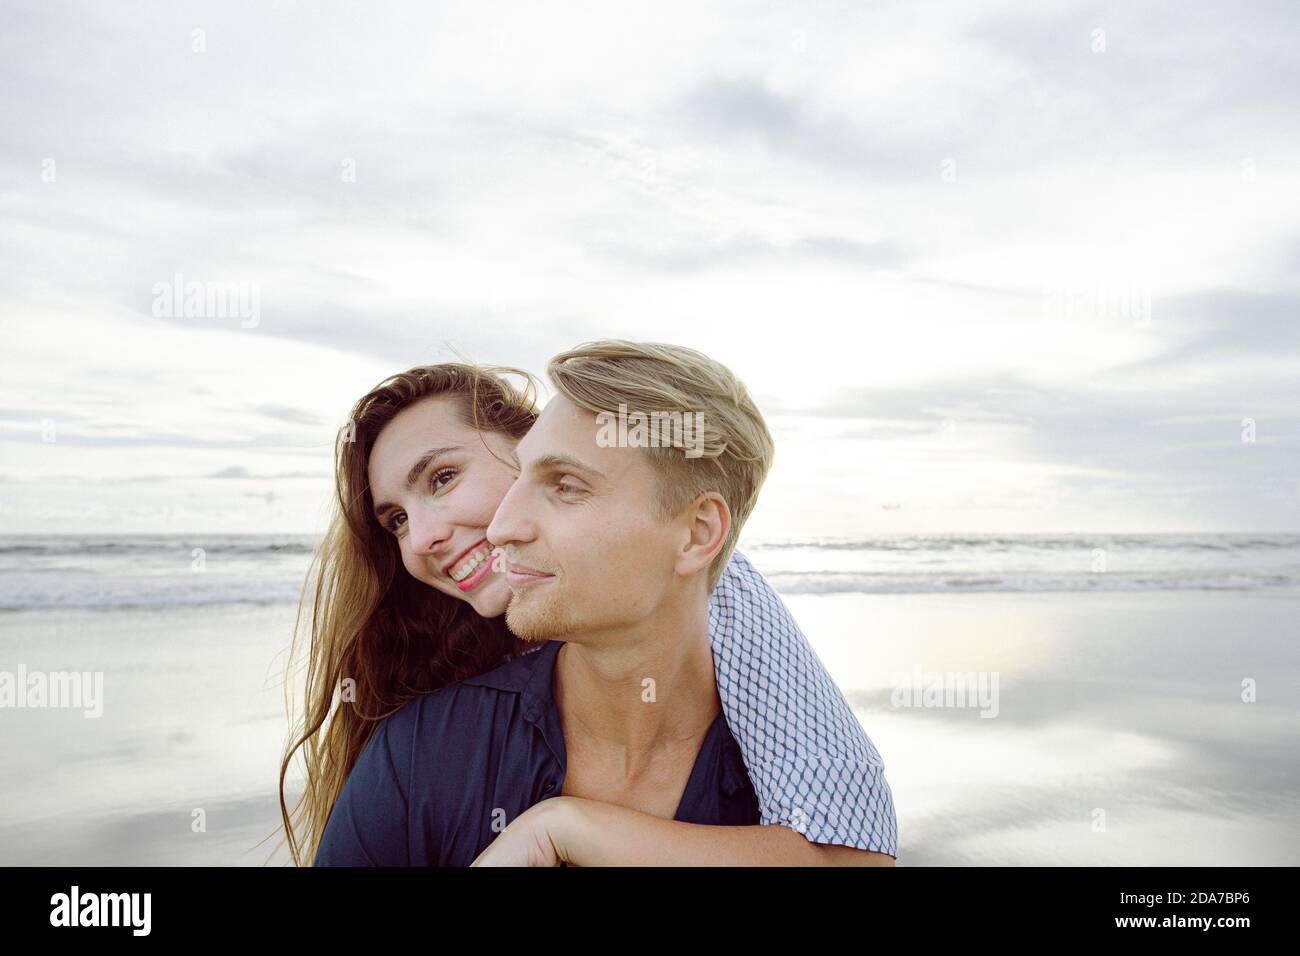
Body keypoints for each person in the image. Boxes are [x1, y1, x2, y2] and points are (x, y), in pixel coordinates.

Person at [280, 342, 896, 865]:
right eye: (395, 521)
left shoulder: (730, 599)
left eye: (443, 478)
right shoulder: (428, 744)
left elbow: (849, 849)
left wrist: (563, 827)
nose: (422, 538)